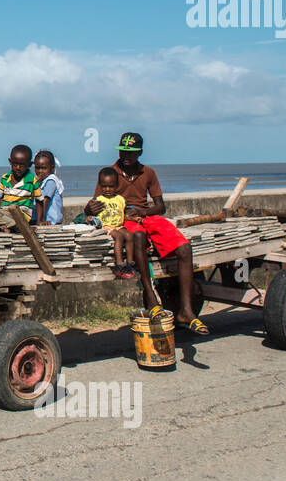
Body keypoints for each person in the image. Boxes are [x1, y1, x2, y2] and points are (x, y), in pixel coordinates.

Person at [83, 132, 208, 334]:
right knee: (138, 236)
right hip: (122, 219)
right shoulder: (109, 173)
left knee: (184, 248)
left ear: (139, 152)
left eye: (131, 152)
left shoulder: (148, 173)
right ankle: (151, 297)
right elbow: (99, 205)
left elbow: (160, 206)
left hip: (146, 215)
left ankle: (186, 310)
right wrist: (91, 210)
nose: (126, 155)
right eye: (123, 151)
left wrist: (143, 212)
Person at [91, 167, 134, 278]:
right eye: (104, 186)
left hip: (118, 225)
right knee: (118, 237)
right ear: (100, 185)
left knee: (129, 235)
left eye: (111, 186)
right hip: (106, 225)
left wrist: (133, 219)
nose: (107, 189)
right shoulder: (98, 199)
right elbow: (91, 214)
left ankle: (130, 262)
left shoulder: (120, 199)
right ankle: (119, 264)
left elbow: (123, 213)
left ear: (116, 186)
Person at [0, 144, 38, 229]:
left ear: (29, 164)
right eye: (15, 164)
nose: (18, 168)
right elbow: (3, 198)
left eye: (22, 165)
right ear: (10, 162)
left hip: (21, 215)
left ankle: (19, 226)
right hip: (5, 212)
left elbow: (39, 201)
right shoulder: (5, 178)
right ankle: (11, 227)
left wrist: (40, 220)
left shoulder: (32, 180)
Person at [32, 150, 65, 225]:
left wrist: (41, 220)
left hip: (50, 221)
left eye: (44, 168)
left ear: (52, 168)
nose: (40, 171)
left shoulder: (51, 181)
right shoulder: (41, 181)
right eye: (37, 168)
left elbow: (45, 201)